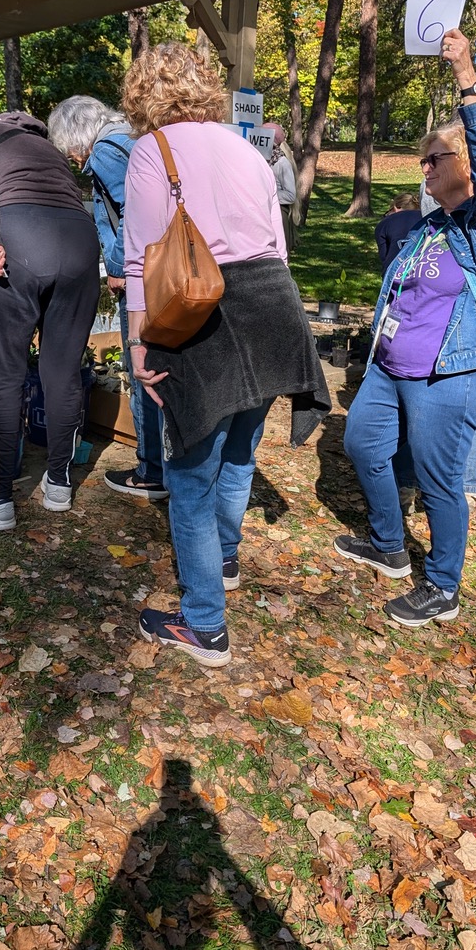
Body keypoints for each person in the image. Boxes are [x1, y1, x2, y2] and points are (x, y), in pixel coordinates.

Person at [122, 43, 331, 667]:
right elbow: (278, 246)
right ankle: (226, 555)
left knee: (189, 471)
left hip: (204, 306)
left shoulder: (150, 151)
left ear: (143, 93)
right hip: (275, 306)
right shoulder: (249, 149)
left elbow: (142, 258)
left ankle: (205, 624)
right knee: (239, 448)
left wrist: (139, 341)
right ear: (207, 87)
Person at [334, 29, 476, 628]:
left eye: (432, 158)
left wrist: (467, 76)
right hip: (389, 368)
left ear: (463, 164)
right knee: (361, 444)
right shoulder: (427, 226)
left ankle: (442, 585)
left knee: (441, 481)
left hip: (449, 374)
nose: (422, 167)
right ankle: (390, 544)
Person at [0, 110, 99, 530]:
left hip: (16, 240)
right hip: (79, 243)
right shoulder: (51, 151)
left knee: (2, 376)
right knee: (64, 371)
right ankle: (58, 485)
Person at [46, 96, 167, 500]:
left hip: (140, 275)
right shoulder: (135, 138)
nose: (71, 156)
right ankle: (171, 462)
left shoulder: (106, 151)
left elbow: (135, 214)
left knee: (141, 366)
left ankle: (152, 471)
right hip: (164, 270)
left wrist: (116, 266)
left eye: (67, 145)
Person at [267, 123, 298, 256]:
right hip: (264, 211)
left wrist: (269, 195)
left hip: (279, 212)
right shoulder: (261, 159)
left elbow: (291, 195)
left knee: (280, 252)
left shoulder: (281, 162)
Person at [375, 192, 422, 273]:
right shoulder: (427, 218)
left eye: (389, 211)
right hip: (426, 269)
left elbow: (384, 257)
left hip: (396, 273)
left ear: (396, 207)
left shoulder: (385, 223)